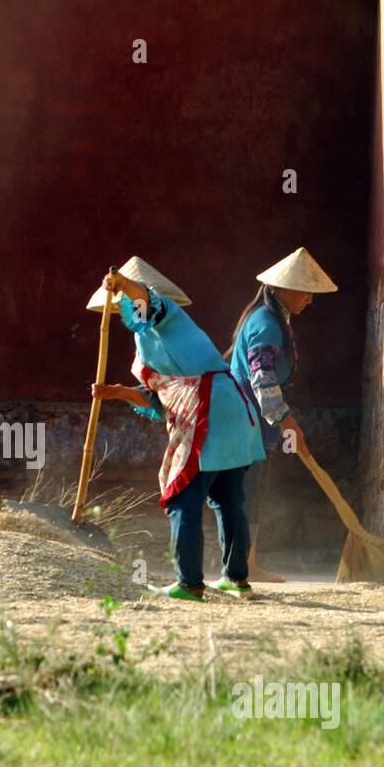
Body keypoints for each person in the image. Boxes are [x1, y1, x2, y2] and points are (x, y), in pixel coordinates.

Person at [89, 257, 264, 601]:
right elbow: (160, 400)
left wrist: (123, 285)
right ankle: (237, 579)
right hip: (228, 411)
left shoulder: (166, 315)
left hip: (208, 411)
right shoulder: (150, 343)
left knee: (184, 498)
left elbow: (146, 301)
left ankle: (189, 583)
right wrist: (117, 393)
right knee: (228, 498)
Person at [226, 247, 338, 583]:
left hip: (252, 422)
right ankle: (242, 566)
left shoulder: (271, 320)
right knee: (248, 490)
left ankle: (246, 562)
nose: (309, 300)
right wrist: (286, 421)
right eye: (304, 291)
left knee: (251, 491)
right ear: (279, 290)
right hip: (248, 422)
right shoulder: (265, 323)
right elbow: (262, 379)